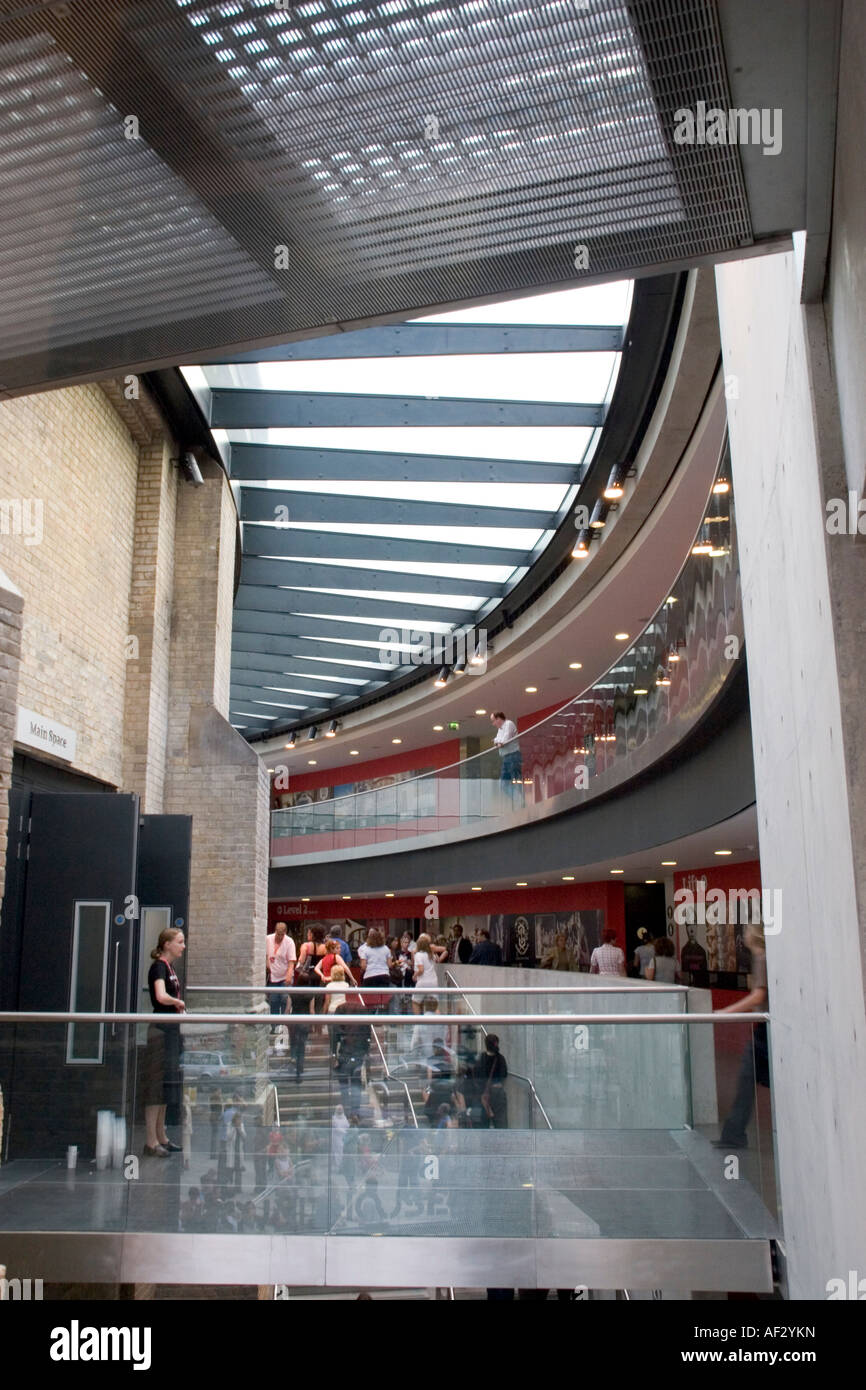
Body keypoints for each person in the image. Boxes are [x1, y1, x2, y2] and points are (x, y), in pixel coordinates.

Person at [714, 925, 769, 1149]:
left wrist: (727, 1012)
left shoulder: (763, 958)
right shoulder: (761, 958)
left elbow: (759, 995)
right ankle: (733, 1133)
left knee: (748, 1078)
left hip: (765, 1033)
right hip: (764, 1030)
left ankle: (734, 1134)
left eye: (747, 931)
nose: (743, 935)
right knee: (748, 1079)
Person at [143, 927, 186, 1157]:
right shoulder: (159, 967)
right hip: (160, 1031)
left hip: (171, 1031)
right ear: (167, 944)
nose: (183, 946)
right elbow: (160, 996)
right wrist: (177, 1003)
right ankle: (151, 1141)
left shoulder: (170, 968)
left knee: (166, 1085)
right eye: (180, 941)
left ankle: (162, 1136)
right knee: (155, 1087)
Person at [266, 919, 296, 1023]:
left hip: (284, 975)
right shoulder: (268, 939)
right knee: (273, 1000)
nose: (279, 937)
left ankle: (284, 1023)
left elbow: (291, 960)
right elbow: (265, 954)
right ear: (275, 931)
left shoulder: (289, 942)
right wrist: (267, 963)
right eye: (278, 934)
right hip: (273, 976)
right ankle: (274, 1024)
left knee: (284, 998)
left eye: (281, 935)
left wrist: (289, 974)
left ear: (285, 933)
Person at [476, 1035, 508, 1129]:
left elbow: (476, 1076)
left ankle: (486, 1143)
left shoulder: (481, 1058)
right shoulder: (501, 1058)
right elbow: (504, 1076)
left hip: (483, 1095)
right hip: (497, 1095)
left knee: (484, 1125)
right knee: (501, 1124)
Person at [491, 710, 522, 799]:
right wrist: (498, 742)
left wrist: (499, 742)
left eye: (493, 721)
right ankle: (517, 800)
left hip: (514, 756)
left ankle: (522, 800)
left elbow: (505, 740)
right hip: (506, 758)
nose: (493, 724)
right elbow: (496, 740)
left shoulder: (509, 724)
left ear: (499, 719)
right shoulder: (500, 729)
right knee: (503, 784)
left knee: (516, 780)